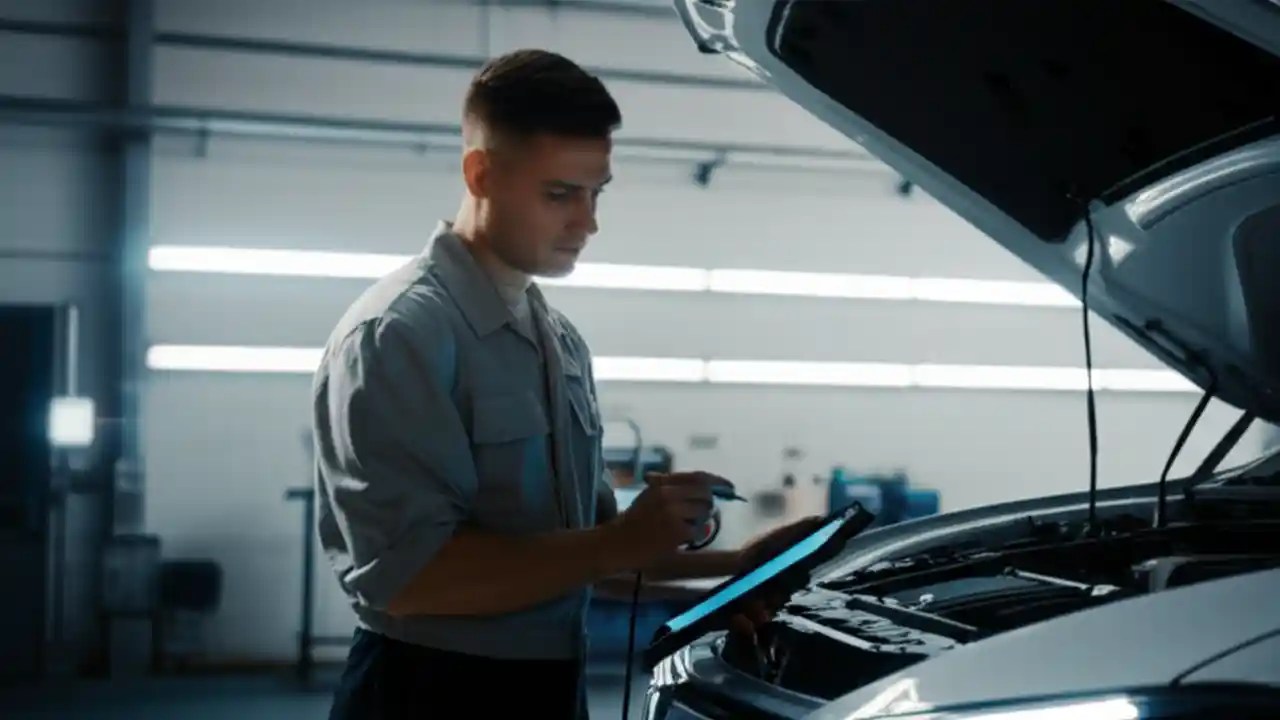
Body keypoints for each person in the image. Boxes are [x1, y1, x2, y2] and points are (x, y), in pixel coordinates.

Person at [311, 48, 820, 720]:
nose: (588, 222)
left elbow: (588, 558)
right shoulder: (398, 335)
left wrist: (734, 565)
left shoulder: (557, 340)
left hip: (549, 689)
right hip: (428, 691)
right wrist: (619, 540)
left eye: (596, 193)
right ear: (481, 174)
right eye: (560, 195)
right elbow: (409, 577)